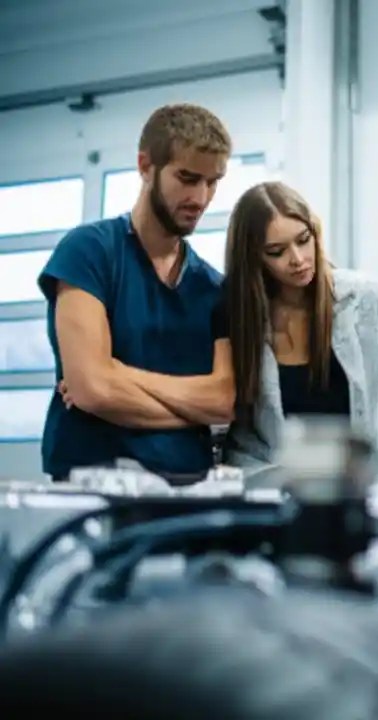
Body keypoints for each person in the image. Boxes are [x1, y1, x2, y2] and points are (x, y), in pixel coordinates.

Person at [39, 103, 235, 484]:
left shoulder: (214, 289)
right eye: (188, 177)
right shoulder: (89, 251)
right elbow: (93, 389)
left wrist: (117, 373)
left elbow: (225, 401)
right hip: (94, 487)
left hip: (188, 487)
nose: (201, 197)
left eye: (213, 182)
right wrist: (193, 412)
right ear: (145, 166)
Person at [221, 181, 378, 477]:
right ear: (254, 256)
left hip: (349, 487)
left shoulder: (365, 297)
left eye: (303, 239)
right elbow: (227, 425)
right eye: (276, 251)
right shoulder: (238, 317)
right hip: (266, 489)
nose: (298, 259)